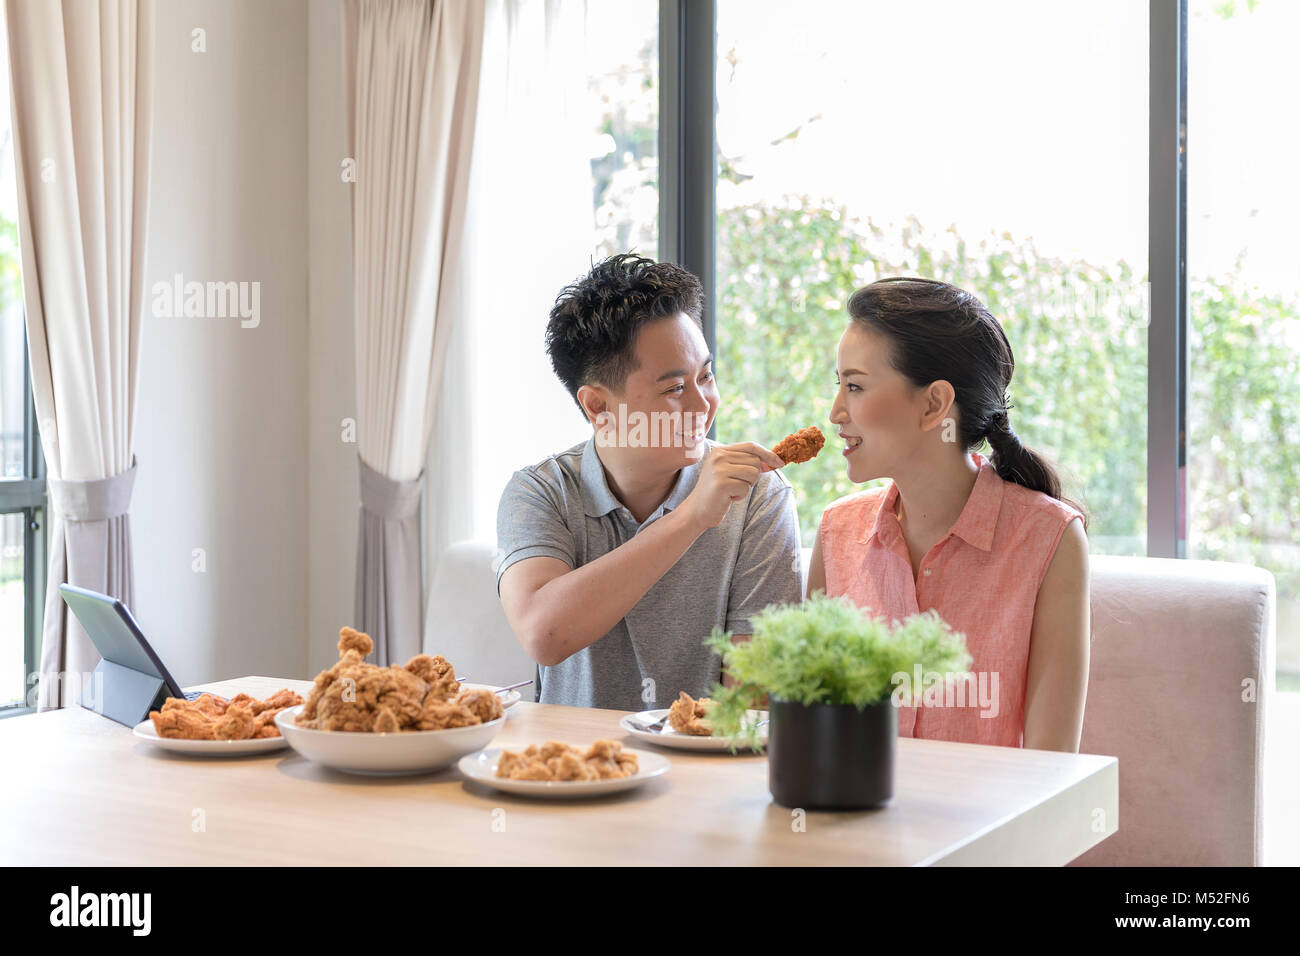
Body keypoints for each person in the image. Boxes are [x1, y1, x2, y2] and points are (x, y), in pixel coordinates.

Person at [496, 253, 802, 710]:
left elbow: (752, 703)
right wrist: (692, 517)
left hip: (704, 771)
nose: (704, 406)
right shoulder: (541, 492)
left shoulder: (756, 493)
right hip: (569, 771)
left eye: (707, 376)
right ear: (599, 407)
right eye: (674, 389)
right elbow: (544, 634)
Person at [807, 277, 1090, 752]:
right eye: (839, 385)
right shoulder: (838, 531)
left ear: (935, 403)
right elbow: (809, 734)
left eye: (855, 386)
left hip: (991, 825)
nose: (836, 412)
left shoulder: (1051, 540)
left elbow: (1051, 770)